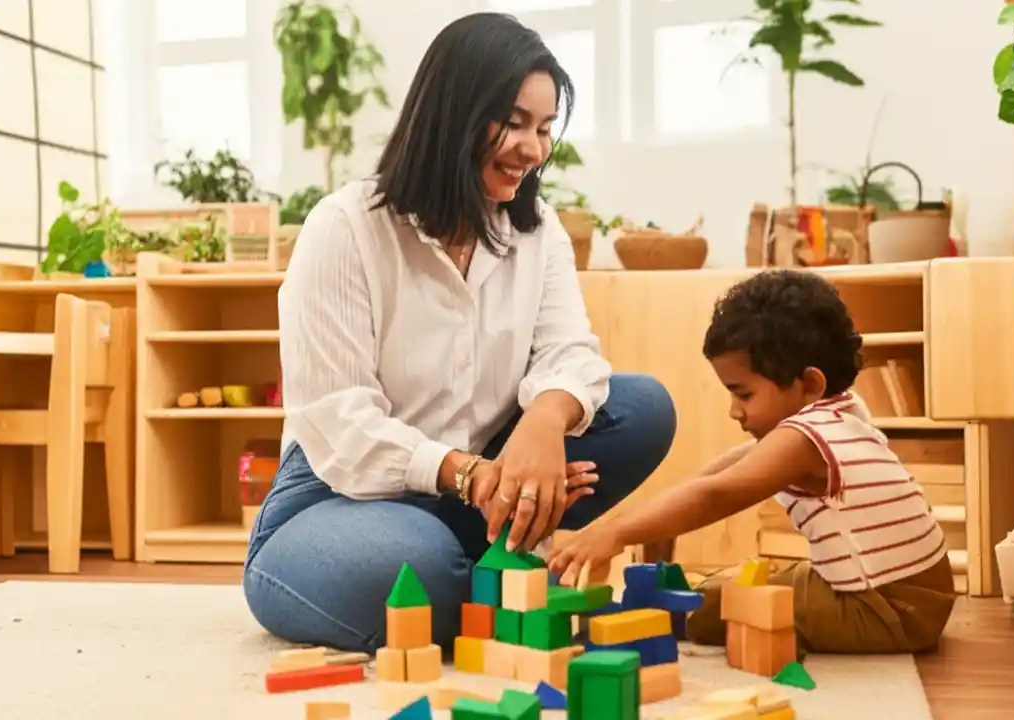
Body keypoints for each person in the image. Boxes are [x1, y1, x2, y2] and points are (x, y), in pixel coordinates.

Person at [243, 12, 676, 654]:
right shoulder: (344, 229)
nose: (532, 149)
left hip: (481, 483)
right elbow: (340, 423)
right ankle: (486, 568)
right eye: (514, 122)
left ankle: (490, 562)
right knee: (422, 570)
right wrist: (470, 474)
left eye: (545, 128)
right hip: (341, 493)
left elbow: (570, 353)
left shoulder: (537, 230)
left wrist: (543, 423)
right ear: (453, 114)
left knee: (642, 409)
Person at [550, 269, 956, 654]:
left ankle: (649, 623)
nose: (734, 411)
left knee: (720, 608)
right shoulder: (840, 414)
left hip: (888, 611)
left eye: (744, 395)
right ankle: (676, 604)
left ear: (810, 384)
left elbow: (717, 494)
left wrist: (613, 534)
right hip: (905, 595)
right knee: (740, 584)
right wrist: (651, 528)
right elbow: (720, 472)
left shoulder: (807, 438)